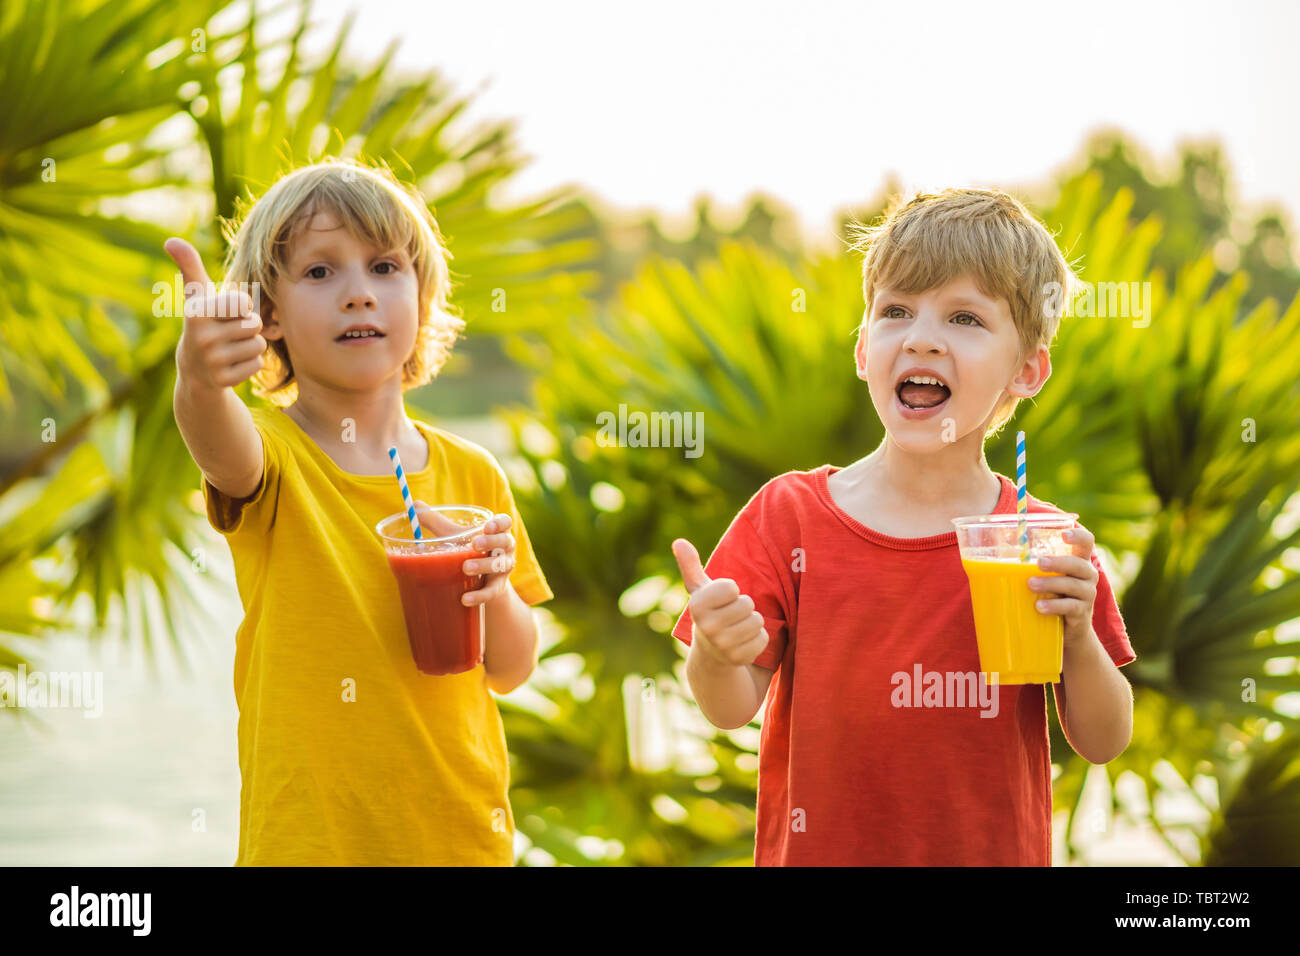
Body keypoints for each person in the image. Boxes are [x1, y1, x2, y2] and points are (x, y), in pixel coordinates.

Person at [670, 187, 1135, 866]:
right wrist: (713, 652)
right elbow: (730, 706)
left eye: (965, 319)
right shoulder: (789, 516)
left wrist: (1077, 636)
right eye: (896, 311)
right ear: (863, 351)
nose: (922, 337)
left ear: (1027, 370)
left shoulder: (1043, 541)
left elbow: (1104, 739)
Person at [168, 159, 551, 865]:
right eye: (320, 273)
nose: (358, 296)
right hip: (311, 842)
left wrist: (493, 591)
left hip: (460, 836)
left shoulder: (471, 474)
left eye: (384, 268)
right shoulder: (275, 457)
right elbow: (219, 446)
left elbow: (511, 667)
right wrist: (198, 379)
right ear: (268, 315)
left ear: (423, 295)